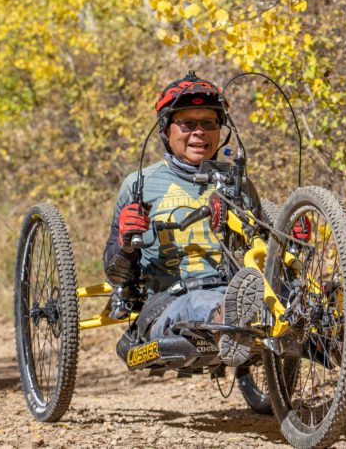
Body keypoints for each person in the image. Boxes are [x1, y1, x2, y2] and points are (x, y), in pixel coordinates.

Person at [103, 71, 260, 364]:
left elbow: (261, 252)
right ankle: (232, 321)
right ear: (166, 130)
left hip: (233, 288)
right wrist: (126, 242)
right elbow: (114, 274)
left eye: (208, 123)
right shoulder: (140, 184)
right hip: (170, 302)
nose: (199, 132)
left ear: (219, 129)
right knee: (210, 302)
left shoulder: (237, 183)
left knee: (291, 299)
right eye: (187, 123)